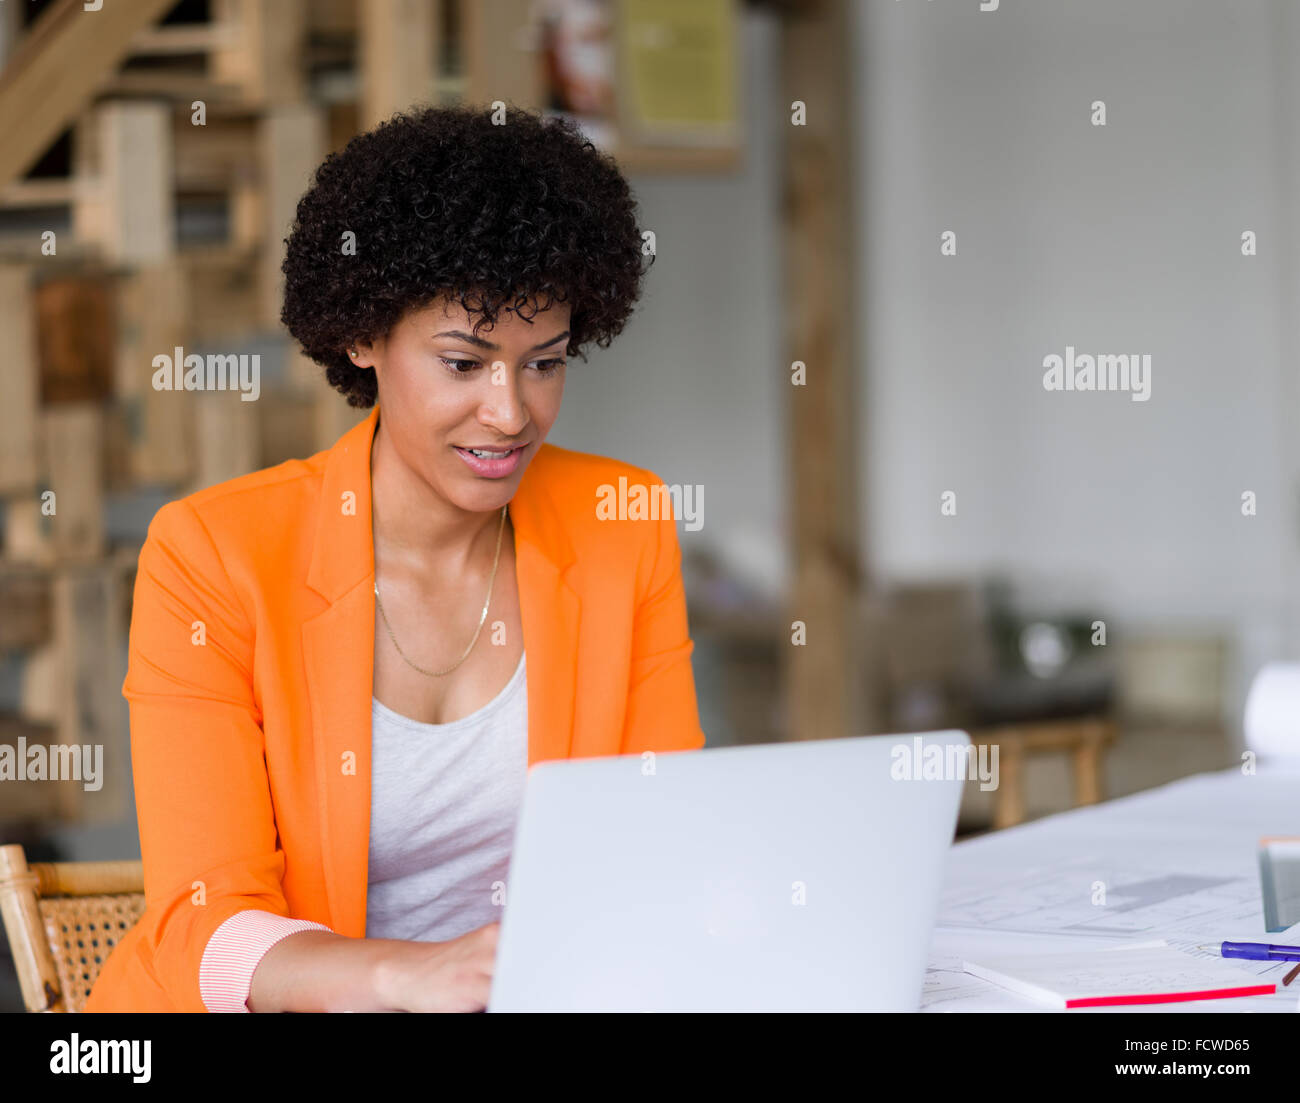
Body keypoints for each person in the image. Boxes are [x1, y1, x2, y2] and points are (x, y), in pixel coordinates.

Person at [86, 104, 707, 1012]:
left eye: (545, 363)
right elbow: (202, 922)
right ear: (364, 334)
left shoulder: (623, 520)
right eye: (464, 362)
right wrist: (404, 974)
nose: (510, 412)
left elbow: (665, 835)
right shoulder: (213, 556)